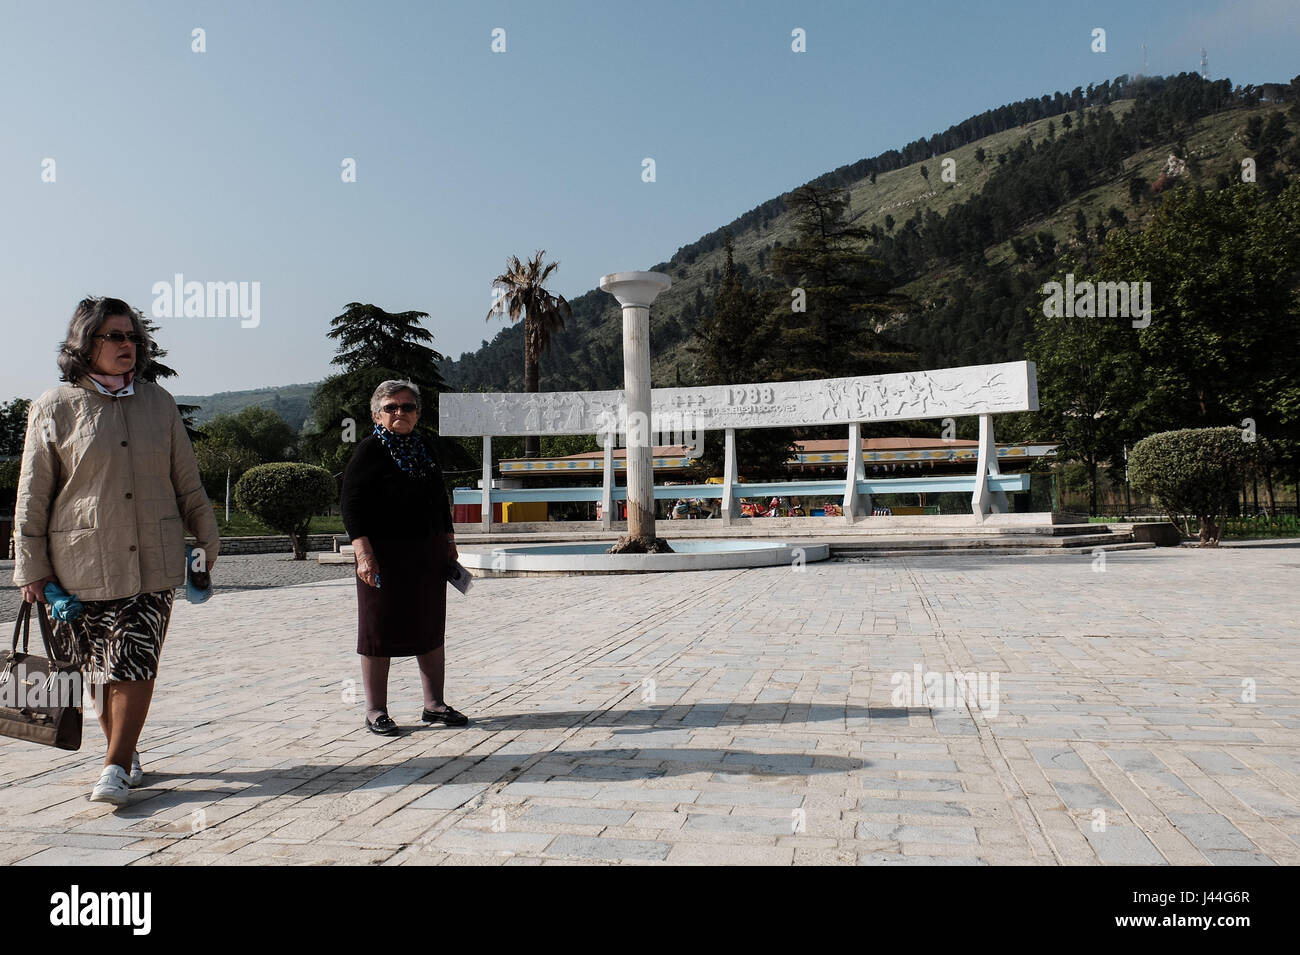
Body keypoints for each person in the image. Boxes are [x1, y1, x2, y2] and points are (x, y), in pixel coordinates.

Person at [13, 296, 220, 806]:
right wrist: (30, 567)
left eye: (132, 337)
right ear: (85, 345)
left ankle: (115, 766)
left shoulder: (159, 403)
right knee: (92, 668)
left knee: (134, 658)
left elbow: (186, 481)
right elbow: (32, 493)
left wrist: (207, 536)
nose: (128, 345)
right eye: (115, 337)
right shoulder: (53, 406)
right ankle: (123, 748)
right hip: (77, 564)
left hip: (152, 560)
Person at [340, 380, 466, 735]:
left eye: (407, 407)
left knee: (429, 626)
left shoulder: (423, 447)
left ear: (418, 414)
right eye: (391, 407)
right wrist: (363, 553)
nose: (400, 413)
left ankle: (434, 705)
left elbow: (439, 497)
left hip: (425, 554)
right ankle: (375, 710)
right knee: (377, 630)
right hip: (382, 557)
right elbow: (351, 505)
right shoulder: (369, 451)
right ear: (377, 414)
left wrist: (449, 539)